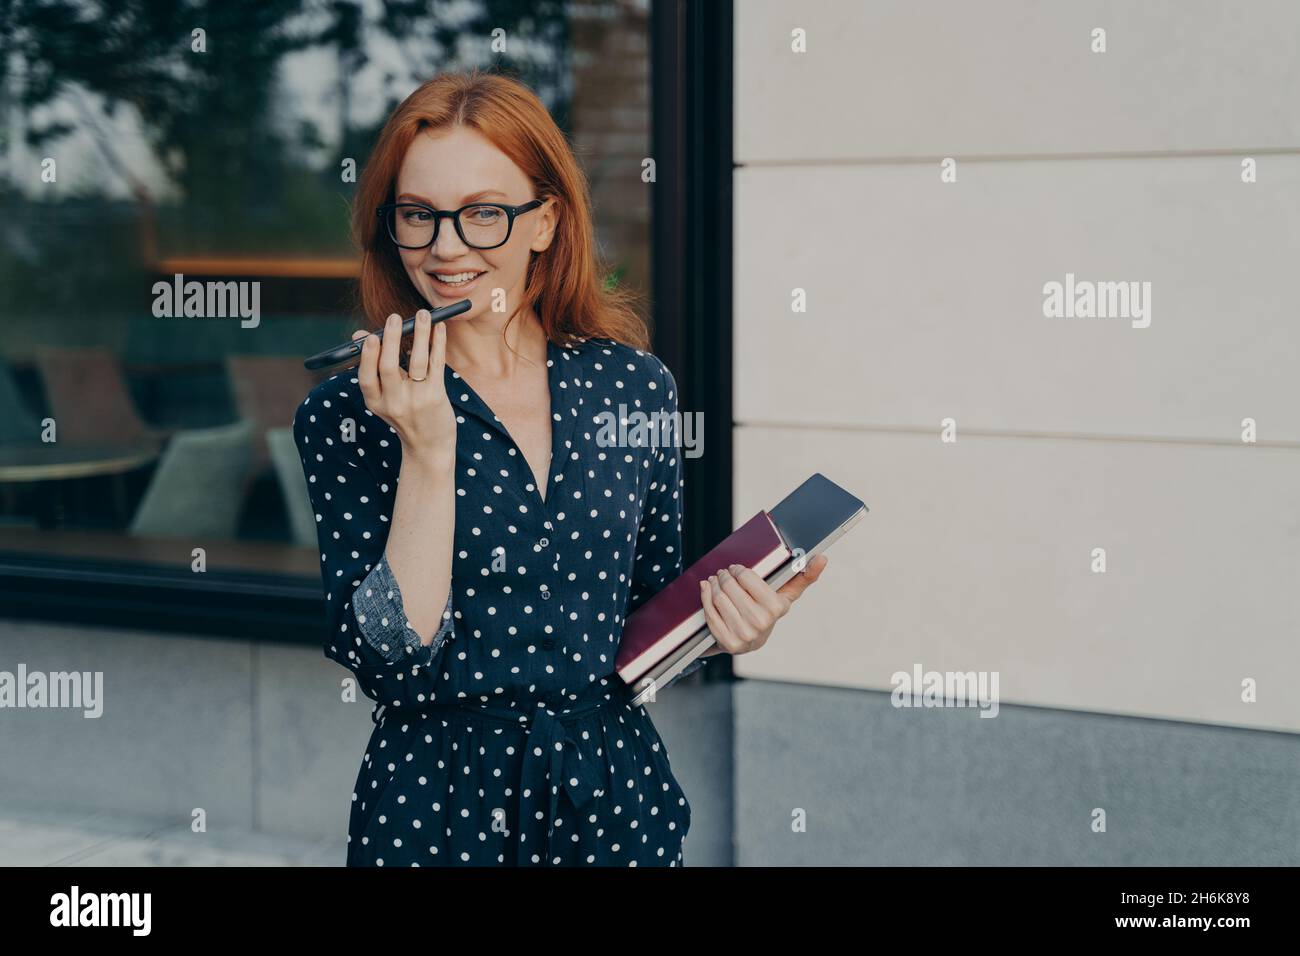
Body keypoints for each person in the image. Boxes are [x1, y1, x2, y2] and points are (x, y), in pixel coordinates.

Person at [292, 70, 828, 866]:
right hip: (435, 807)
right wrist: (429, 451)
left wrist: (723, 630)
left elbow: (644, 611)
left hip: (611, 797)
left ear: (544, 221)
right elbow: (389, 659)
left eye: (482, 214)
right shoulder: (348, 414)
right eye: (419, 216)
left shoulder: (633, 386)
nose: (446, 247)